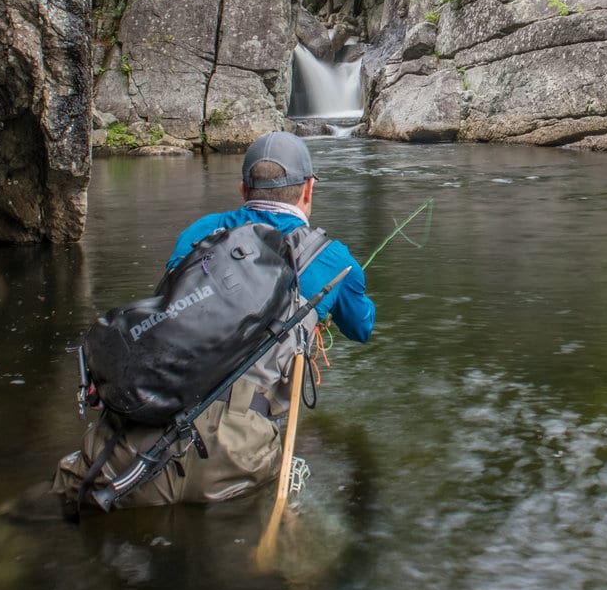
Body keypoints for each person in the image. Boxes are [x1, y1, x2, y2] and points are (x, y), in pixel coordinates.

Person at [53, 131, 376, 509]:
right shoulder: (335, 259)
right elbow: (362, 328)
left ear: (243, 189)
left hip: (133, 442)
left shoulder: (200, 232)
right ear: (308, 190)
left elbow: (167, 313)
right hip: (239, 458)